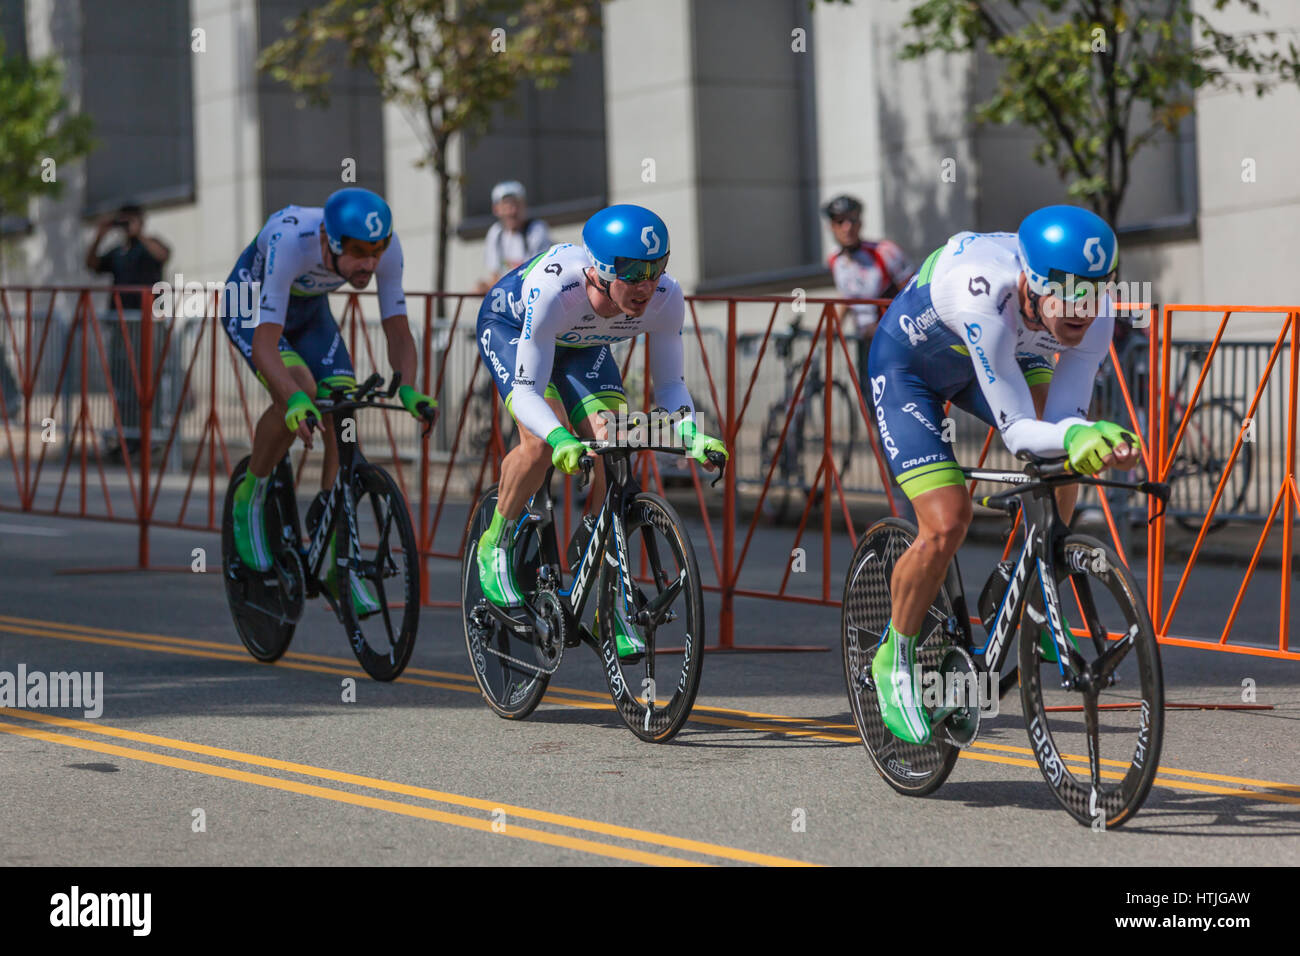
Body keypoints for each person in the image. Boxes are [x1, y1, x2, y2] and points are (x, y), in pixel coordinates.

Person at [866, 205, 1140, 744]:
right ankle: (894, 658)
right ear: (1032, 285)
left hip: (1006, 352)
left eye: (1094, 290)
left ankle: (1030, 586)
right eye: (1069, 292)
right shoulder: (984, 292)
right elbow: (1018, 430)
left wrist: (1082, 436)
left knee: (1063, 464)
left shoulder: (1096, 314)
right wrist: (1073, 435)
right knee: (947, 521)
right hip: (910, 368)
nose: (1083, 308)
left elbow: (1064, 423)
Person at [472, 204, 728, 658]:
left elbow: (670, 385)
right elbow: (530, 392)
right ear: (598, 271)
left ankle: (603, 580)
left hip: (584, 344)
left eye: (656, 268)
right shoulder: (556, 290)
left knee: (616, 440)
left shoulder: (666, 297)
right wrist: (560, 439)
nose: (646, 286)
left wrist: (692, 435)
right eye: (631, 272)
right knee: (537, 448)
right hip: (515, 328)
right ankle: (495, 541)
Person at [220, 187, 436, 615]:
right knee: (301, 388)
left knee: (344, 402)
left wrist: (408, 385)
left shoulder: (385, 250)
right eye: (358, 253)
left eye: (377, 251)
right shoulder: (291, 242)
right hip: (251, 304)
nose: (369, 264)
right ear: (328, 241)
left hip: (307, 310)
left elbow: (397, 330)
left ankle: (332, 534)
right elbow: (265, 345)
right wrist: (295, 399)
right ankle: (251, 495)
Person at [85, 202, 171, 450]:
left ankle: (150, 436)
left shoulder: (150, 245)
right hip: (121, 324)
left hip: (148, 324)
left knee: (147, 379)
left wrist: (139, 234)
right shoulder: (118, 252)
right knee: (122, 380)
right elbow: (91, 264)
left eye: (131, 220)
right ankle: (126, 436)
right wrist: (100, 233)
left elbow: (162, 255)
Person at [822, 194, 914, 386]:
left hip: (895, 342)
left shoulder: (885, 251)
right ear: (832, 226)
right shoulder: (835, 260)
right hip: (864, 342)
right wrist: (831, 328)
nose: (847, 227)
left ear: (860, 222)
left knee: (896, 401)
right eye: (840, 221)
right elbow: (847, 298)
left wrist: (886, 325)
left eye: (852, 220)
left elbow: (912, 295)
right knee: (869, 400)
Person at [475, 181, 552, 293]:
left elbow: (538, 274)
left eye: (516, 205)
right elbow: (495, 276)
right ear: (496, 209)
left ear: (524, 206)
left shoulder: (537, 230)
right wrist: (485, 287)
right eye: (506, 205)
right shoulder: (495, 233)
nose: (512, 211)